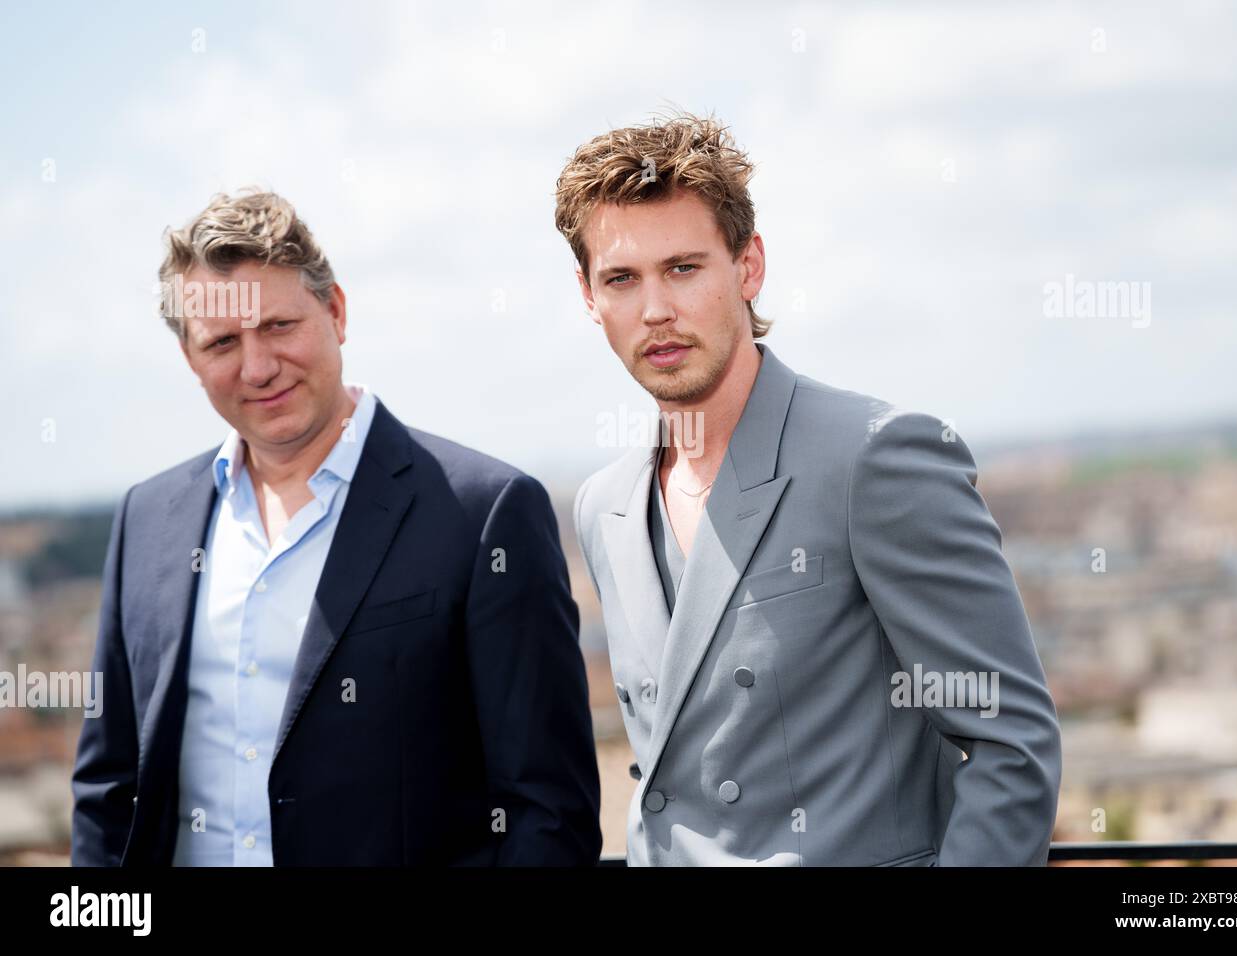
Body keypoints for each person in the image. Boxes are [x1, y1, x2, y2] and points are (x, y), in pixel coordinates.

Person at [555, 112, 1062, 865]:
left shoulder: (876, 458)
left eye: (684, 268)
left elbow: (1011, 747)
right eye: (622, 279)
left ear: (748, 265)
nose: (655, 309)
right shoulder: (604, 506)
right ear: (590, 298)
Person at [72, 190, 601, 866]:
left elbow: (547, 812)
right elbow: (108, 791)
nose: (258, 367)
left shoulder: (485, 513)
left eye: (278, 327)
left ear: (336, 311)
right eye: (224, 342)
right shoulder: (146, 520)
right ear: (189, 358)